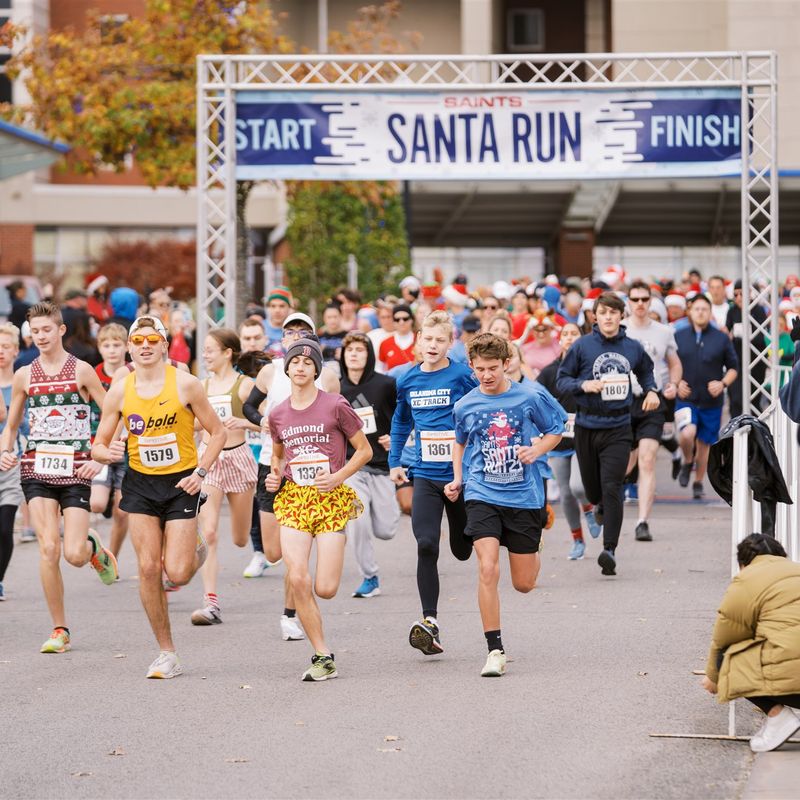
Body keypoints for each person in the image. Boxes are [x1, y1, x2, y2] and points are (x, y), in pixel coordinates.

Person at [92, 315, 226, 678]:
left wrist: (201, 473)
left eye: (153, 340)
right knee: (149, 568)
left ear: (165, 345)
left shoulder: (186, 384)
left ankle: (197, 547)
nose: (146, 346)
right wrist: (106, 453)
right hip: (140, 483)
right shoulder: (120, 390)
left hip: (182, 482)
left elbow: (217, 432)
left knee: (178, 572)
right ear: (130, 348)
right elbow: (99, 445)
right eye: (139, 341)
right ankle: (167, 652)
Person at [445, 333, 565, 676]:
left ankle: (534, 543)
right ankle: (494, 650)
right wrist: (458, 478)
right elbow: (459, 442)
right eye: (480, 369)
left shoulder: (528, 396)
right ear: (472, 366)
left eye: (493, 368)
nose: (486, 375)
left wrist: (537, 449)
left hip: (523, 496)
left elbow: (556, 429)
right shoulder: (465, 405)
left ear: (506, 364)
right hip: (482, 493)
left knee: (523, 584)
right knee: (487, 568)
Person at [0, 302, 115, 654]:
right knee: (48, 548)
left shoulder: (82, 370)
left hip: (76, 469)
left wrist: (98, 455)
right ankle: (60, 629)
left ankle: (91, 547)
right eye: (35, 331)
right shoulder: (25, 375)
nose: (40, 336)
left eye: (46, 330)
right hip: (36, 469)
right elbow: (12, 425)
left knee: (74, 555)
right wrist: (6, 450)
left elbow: (112, 412)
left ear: (61, 330)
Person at [265, 338, 372, 681]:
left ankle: (321, 642)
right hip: (295, 499)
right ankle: (322, 655)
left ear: (316, 370)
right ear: (287, 368)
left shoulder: (335, 405)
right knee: (298, 576)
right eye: (295, 362)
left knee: (325, 588)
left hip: (330, 499)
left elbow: (364, 451)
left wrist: (337, 476)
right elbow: (279, 455)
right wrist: (274, 474)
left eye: (307, 363)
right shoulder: (278, 413)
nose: (300, 367)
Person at [242, 312, 341, 641]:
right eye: (290, 331)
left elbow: (340, 425)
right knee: (273, 553)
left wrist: (337, 470)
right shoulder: (270, 371)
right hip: (272, 466)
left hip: (311, 475)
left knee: (297, 557)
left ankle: (290, 613)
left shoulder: (326, 377)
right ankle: (296, 584)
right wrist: (263, 422)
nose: (296, 335)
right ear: (282, 338)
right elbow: (249, 406)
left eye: (303, 331)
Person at [389, 310, 477, 655]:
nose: (433, 345)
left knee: (462, 549)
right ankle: (430, 621)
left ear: (450, 343)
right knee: (426, 543)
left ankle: (467, 536)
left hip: (459, 475)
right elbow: (401, 422)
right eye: (428, 338)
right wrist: (395, 461)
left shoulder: (462, 375)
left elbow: (480, 410)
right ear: (418, 340)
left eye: (440, 340)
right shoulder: (407, 379)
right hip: (424, 473)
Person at [556, 292, 659, 577]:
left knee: (612, 485)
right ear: (595, 317)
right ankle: (598, 505)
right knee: (592, 489)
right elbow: (562, 380)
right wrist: (584, 385)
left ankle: (609, 550)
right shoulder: (582, 346)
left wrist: (651, 391)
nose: (608, 317)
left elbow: (646, 372)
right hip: (587, 426)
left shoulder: (632, 347)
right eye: (603, 312)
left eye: (613, 312)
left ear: (621, 315)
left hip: (618, 427)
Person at [702, 533, 800, 752]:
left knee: (728, 656)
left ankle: (777, 716)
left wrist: (713, 676)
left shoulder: (747, 578)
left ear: (743, 563)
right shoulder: (796, 570)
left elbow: (725, 636)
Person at [190, 328, 259, 626]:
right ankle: (210, 602)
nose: (205, 355)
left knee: (241, 539)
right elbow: (193, 423)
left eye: (210, 350)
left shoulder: (245, 386)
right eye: (204, 350)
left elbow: (271, 422)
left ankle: (257, 548)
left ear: (227, 353)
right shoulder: (200, 386)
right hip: (210, 461)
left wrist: (244, 422)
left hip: (239, 459)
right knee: (210, 533)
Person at [338, 332, 400, 598]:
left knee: (386, 530)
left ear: (369, 355)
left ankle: (382, 516)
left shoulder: (386, 384)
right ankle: (370, 576)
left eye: (360, 350)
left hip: (382, 466)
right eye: (349, 350)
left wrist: (395, 437)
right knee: (358, 521)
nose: (354, 354)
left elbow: (404, 417)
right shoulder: (335, 389)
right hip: (352, 467)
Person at [536, 324, 601, 560]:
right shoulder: (549, 372)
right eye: (565, 334)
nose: (569, 337)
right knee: (565, 493)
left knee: (577, 487)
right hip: (558, 439)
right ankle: (578, 541)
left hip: (583, 437)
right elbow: (536, 398)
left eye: (574, 334)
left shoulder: (589, 368)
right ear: (559, 340)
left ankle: (589, 510)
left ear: (581, 339)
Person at [623, 281, 682, 542]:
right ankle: (606, 499)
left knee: (647, 460)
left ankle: (643, 522)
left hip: (652, 400)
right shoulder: (619, 329)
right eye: (635, 299)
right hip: (622, 401)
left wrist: (674, 384)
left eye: (644, 299)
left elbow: (674, 363)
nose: (640, 304)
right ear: (628, 302)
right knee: (625, 461)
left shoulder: (664, 331)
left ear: (650, 301)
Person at [675, 293, 739, 499]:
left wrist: (722, 383)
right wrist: (676, 383)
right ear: (690, 311)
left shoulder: (721, 338)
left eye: (704, 309)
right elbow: (670, 364)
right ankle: (687, 460)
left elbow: (733, 368)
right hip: (686, 397)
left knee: (704, 444)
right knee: (687, 433)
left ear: (710, 312)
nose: (700, 312)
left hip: (712, 401)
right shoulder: (678, 336)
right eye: (697, 309)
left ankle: (698, 481)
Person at [237, 317, 275, 579]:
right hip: (244, 449)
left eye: (256, 337)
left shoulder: (277, 371)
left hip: (271, 448)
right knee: (253, 503)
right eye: (247, 338)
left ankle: (275, 548)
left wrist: (246, 421)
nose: (252, 342)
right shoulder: (234, 373)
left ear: (265, 339)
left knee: (271, 501)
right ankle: (259, 552)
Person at [89, 323, 130, 560]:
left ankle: (111, 557)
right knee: (96, 504)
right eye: (107, 345)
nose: (112, 350)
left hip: (126, 449)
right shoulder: (93, 375)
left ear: (126, 347)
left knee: (122, 512)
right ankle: (106, 502)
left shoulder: (133, 374)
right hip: (100, 445)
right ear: (99, 348)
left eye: (117, 345)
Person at [726, 279, 767, 418]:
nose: (738, 298)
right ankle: (736, 428)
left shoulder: (758, 310)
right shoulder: (732, 311)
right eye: (735, 294)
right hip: (737, 361)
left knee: (754, 400)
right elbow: (727, 333)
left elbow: (760, 337)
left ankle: (755, 428)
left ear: (749, 293)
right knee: (736, 399)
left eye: (741, 294)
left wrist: (739, 336)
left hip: (756, 361)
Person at [0, 324, 20, 599]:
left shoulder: (22, 383)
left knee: (4, 528)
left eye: (5, 346)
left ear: (16, 350)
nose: (1, 352)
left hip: (12, 465)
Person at [378, 304, 416, 371]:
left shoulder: (420, 340)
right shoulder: (385, 343)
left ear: (412, 320)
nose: (401, 322)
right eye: (397, 319)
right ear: (393, 322)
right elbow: (381, 369)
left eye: (405, 319)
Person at [264, 287, 293, 356]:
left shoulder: (296, 331)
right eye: (273, 306)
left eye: (282, 306)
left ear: (289, 308)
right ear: (268, 308)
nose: (277, 310)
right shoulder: (260, 327)